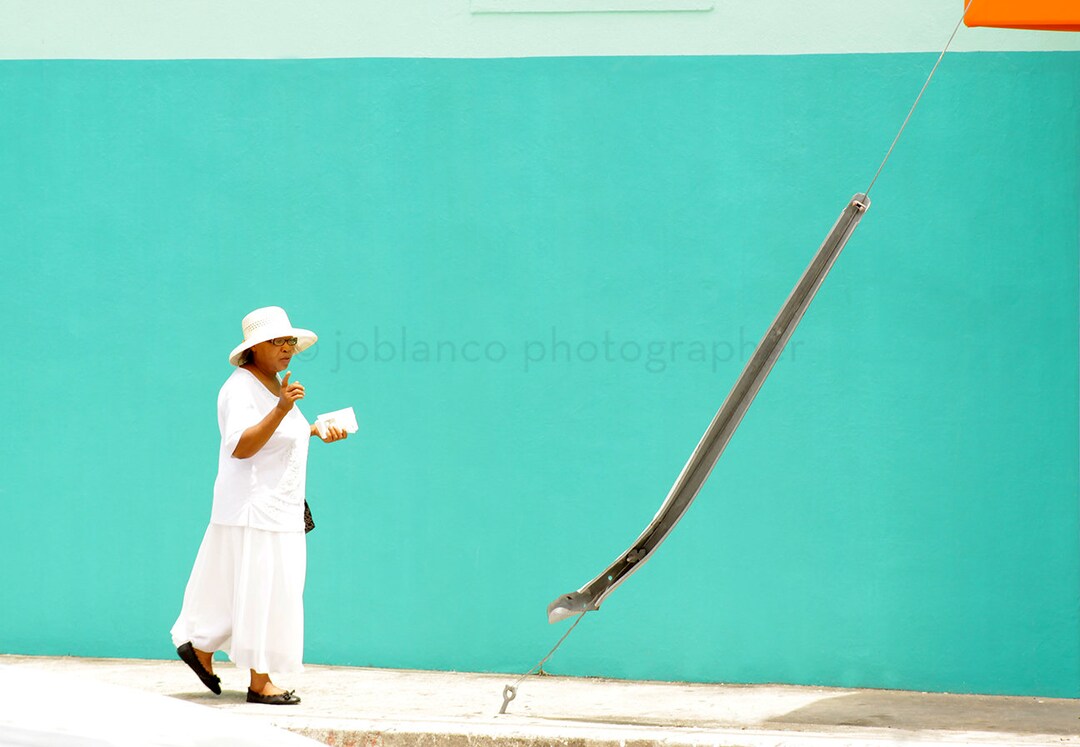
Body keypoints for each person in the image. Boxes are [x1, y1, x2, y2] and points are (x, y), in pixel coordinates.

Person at [171, 306, 348, 705]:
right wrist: (282, 408)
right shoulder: (241, 388)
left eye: (290, 341)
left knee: (255, 591)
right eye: (277, 341)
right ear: (254, 347)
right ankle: (259, 681)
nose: (287, 348)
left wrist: (314, 430)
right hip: (257, 511)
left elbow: (277, 438)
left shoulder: (272, 384)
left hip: (276, 507)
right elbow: (241, 445)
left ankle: (201, 647)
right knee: (264, 593)